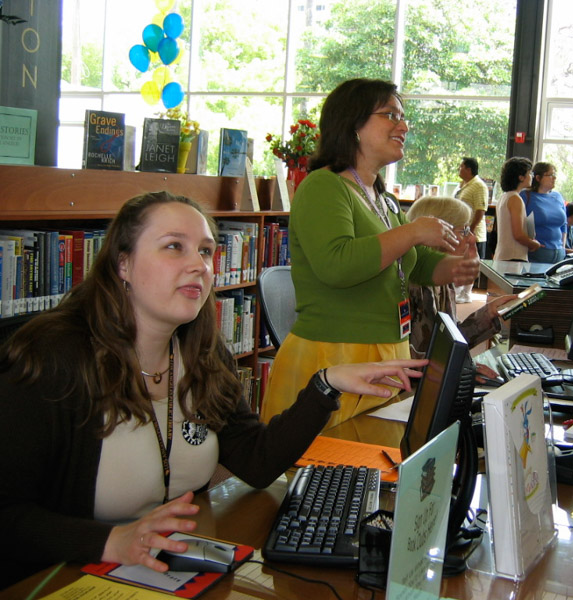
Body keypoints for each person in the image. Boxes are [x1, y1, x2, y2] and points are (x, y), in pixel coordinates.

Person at [0, 191, 427, 588]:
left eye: (206, 251)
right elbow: (9, 515)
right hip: (63, 577)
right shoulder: (52, 358)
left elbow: (257, 463)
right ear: (122, 264)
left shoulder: (201, 352)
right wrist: (110, 541)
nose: (199, 266)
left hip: (164, 571)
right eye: (174, 247)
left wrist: (326, 385)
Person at [263, 78, 480, 429]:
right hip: (336, 357)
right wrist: (412, 231)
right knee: (330, 472)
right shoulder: (324, 186)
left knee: (375, 463)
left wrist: (458, 267)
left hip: (386, 351)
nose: (404, 125)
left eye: (403, 116)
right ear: (354, 125)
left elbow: (415, 265)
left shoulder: (382, 198)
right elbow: (337, 264)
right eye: (390, 114)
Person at [405, 195, 515, 359]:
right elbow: (411, 358)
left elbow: (449, 340)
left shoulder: (443, 282)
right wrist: (461, 369)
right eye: (463, 230)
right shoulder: (411, 283)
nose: (472, 237)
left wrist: (488, 313)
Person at [454, 157, 489, 303]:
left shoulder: (479, 186)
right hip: (461, 231)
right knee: (461, 262)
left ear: (469, 169)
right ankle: (460, 292)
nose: (459, 169)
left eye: (461, 167)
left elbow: (480, 210)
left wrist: (471, 230)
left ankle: (467, 293)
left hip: (472, 233)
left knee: (471, 263)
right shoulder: (464, 185)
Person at [493, 156, 542, 261]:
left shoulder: (504, 197)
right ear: (521, 177)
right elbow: (518, 234)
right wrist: (534, 244)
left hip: (503, 254)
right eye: (530, 173)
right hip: (513, 257)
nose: (532, 176)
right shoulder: (515, 199)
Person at [521, 162, 567, 263]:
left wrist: (562, 246)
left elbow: (564, 226)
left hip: (559, 253)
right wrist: (531, 244)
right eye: (550, 175)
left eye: (555, 175)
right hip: (537, 253)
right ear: (538, 178)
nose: (554, 178)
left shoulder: (558, 197)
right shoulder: (526, 196)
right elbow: (519, 224)